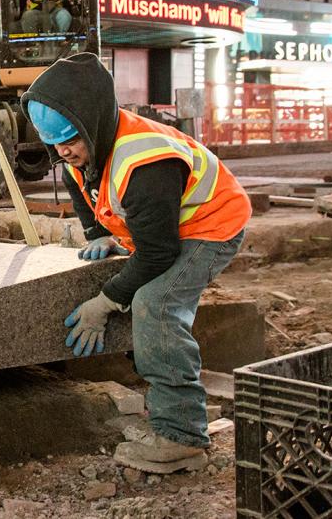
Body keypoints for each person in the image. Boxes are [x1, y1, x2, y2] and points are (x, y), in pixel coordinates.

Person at [21, 53, 251, 474]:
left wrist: (106, 302)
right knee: (140, 290)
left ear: (93, 123)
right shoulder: (85, 148)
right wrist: (98, 234)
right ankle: (163, 411)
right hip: (167, 226)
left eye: (70, 140)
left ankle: (182, 437)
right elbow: (80, 187)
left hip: (213, 223)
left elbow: (158, 254)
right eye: (54, 143)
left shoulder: (144, 162)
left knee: (156, 303)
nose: (62, 151)